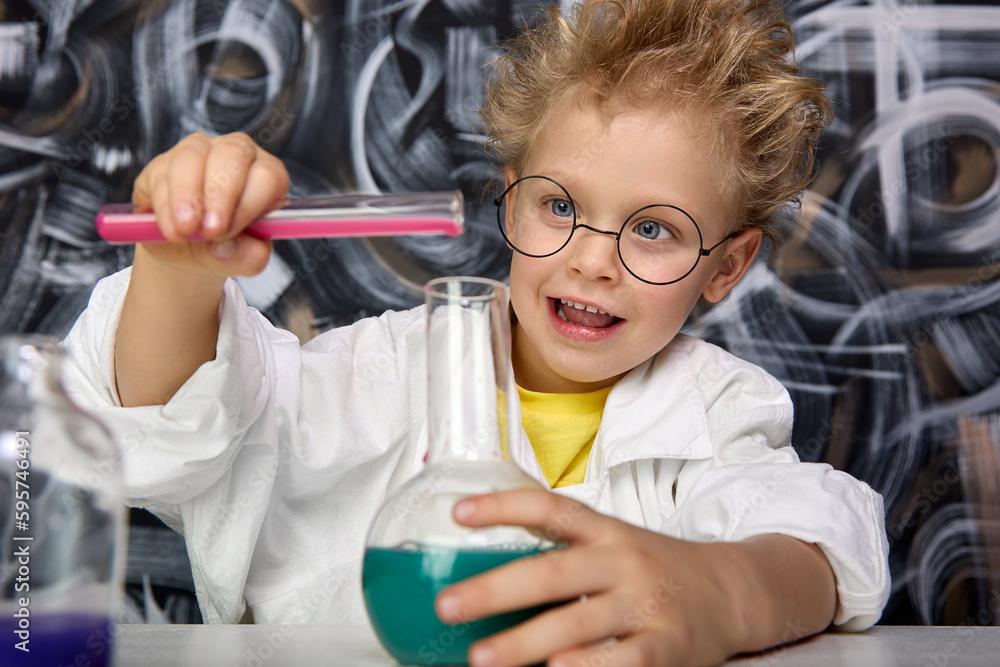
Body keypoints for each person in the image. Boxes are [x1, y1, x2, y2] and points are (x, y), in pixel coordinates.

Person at [62, 1, 890, 665]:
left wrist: (726, 592)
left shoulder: (715, 412)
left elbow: (818, 537)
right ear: (513, 195)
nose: (592, 261)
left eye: (654, 230)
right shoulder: (378, 373)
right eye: (559, 206)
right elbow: (171, 424)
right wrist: (179, 273)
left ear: (727, 265)